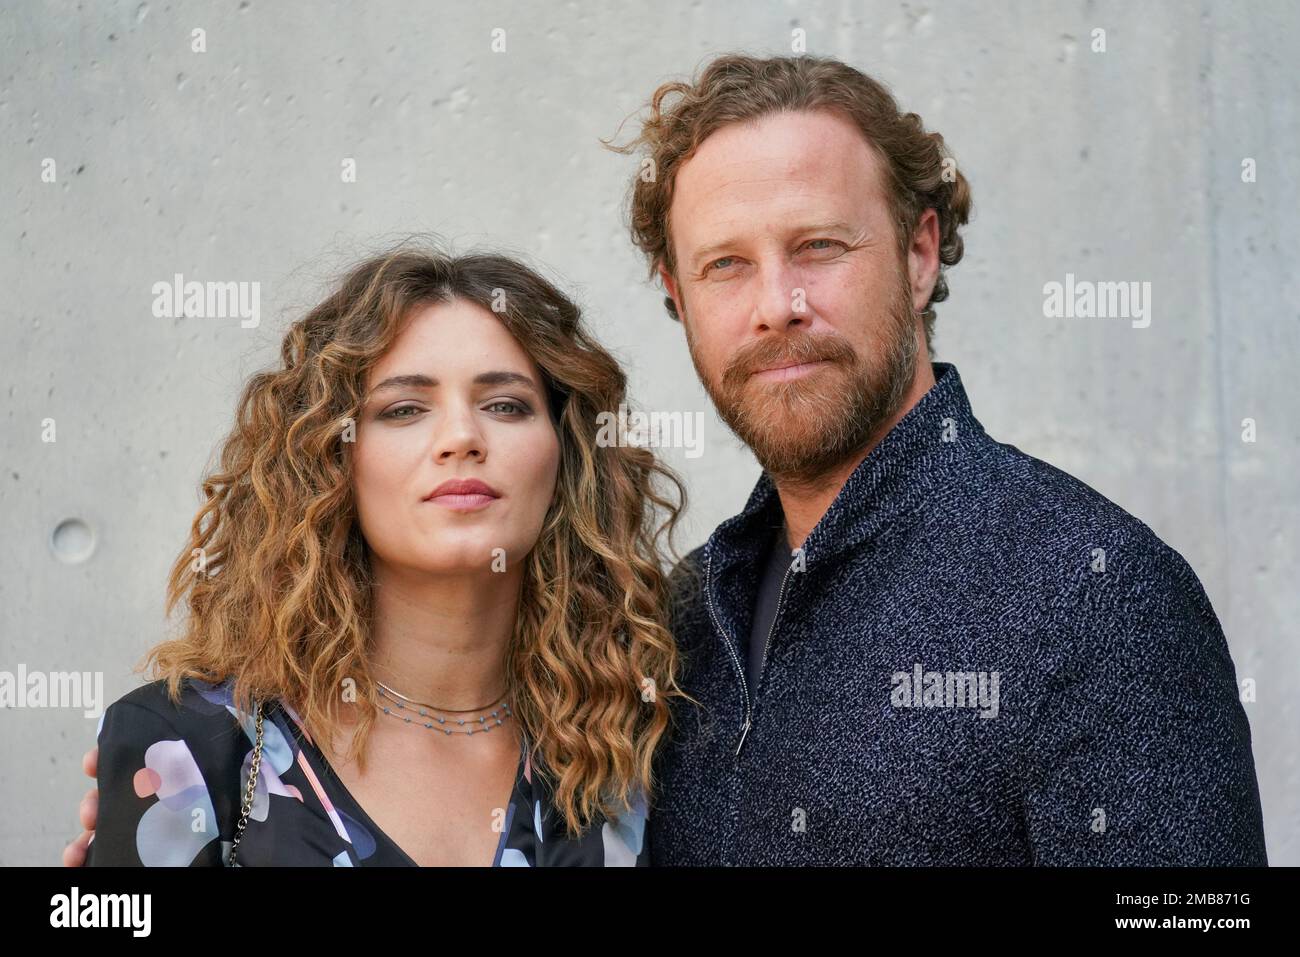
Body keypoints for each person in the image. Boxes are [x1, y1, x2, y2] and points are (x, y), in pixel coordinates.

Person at [607, 52, 1267, 864]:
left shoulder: (1095, 594)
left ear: (919, 255)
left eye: (818, 245)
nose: (777, 304)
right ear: (678, 295)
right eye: (726, 265)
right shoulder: (685, 621)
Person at [66, 246, 689, 866]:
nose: (462, 438)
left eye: (504, 404)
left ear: (567, 455)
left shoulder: (633, 746)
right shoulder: (186, 748)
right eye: (404, 409)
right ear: (331, 461)